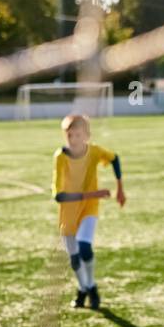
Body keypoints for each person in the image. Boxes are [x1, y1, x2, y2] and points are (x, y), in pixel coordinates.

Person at [52, 113, 125, 310]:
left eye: (77, 135)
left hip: (89, 209)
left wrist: (120, 187)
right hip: (68, 213)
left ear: (87, 135)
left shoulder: (94, 152)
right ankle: (85, 288)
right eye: (69, 135)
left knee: (85, 248)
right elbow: (59, 196)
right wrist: (93, 193)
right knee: (74, 260)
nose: (73, 139)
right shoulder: (60, 157)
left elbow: (114, 158)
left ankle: (90, 289)